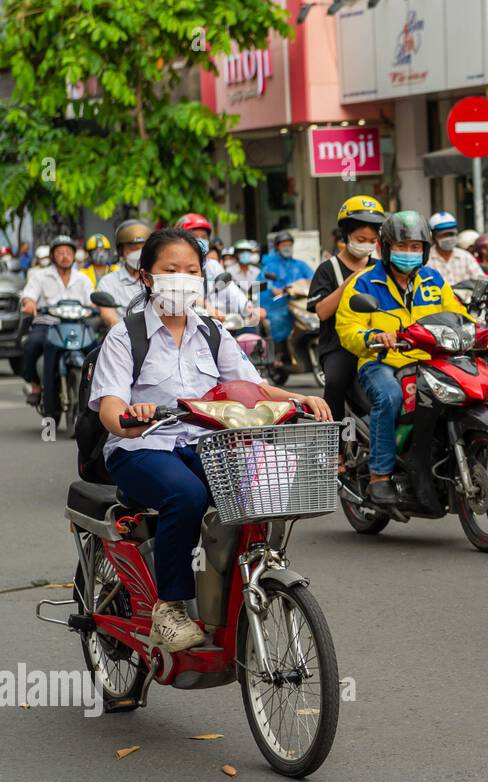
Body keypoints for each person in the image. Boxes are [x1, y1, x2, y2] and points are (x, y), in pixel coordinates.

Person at [88, 228, 329, 651]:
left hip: (205, 442)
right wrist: (133, 415)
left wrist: (302, 398)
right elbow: (110, 409)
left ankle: (251, 575)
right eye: (170, 270)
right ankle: (171, 607)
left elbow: (254, 387)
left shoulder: (212, 333)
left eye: (191, 271)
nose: (181, 279)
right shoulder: (126, 336)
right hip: (141, 446)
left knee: (262, 479)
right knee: (187, 495)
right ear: (146, 277)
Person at [335, 210, 488, 505]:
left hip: (431, 360)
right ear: (386, 249)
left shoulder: (432, 279)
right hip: (383, 362)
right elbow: (348, 327)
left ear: (424, 251)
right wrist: (374, 337)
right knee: (389, 397)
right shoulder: (364, 283)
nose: (409, 253)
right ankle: (379, 476)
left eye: (415, 247)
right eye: (401, 247)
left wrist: (482, 331)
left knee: (479, 387)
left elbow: (456, 313)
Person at [307, 195, 386, 442]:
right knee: (336, 382)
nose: (367, 245)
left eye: (372, 241)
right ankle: (336, 446)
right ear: (346, 236)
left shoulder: (380, 267)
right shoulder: (328, 269)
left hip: (374, 342)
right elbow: (321, 311)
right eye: (361, 240)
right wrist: (350, 282)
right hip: (338, 346)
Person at [19, 234, 93, 415]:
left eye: (69, 252)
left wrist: (97, 306)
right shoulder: (40, 276)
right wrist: (29, 303)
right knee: (32, 344)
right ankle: (35, 384)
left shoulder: (82, 278)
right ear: (53, 256)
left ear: (74, 255)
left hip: (76, 324)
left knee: (96, 348)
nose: (65, 256)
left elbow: (92, 300)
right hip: (48, 324)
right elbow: (28, 295)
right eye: (60, 252)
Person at [259, 230, 313, 369]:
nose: (287, 247)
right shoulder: (270, 266)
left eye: (289, 244)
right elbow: (263, 282)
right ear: (277, 246)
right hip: (278, 305)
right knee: (279, 321)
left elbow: (312, 278)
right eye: (284, 244)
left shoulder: (300, 264)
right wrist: (274, 289)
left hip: (298, 302)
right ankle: (279, 355)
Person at [94, 219, 152, 327]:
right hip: (123, 339)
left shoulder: (157, 279)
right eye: (133, 249)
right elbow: (109, 316)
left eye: (143, 249)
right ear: (121, 252)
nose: (139, 254)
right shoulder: (108, 282)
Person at [428, 213, 486, 285]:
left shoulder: (466, 257)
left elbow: (482, 281)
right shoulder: (426, 259)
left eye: (451, 234)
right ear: (433, 237)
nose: (448, 238)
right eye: (443, 235)